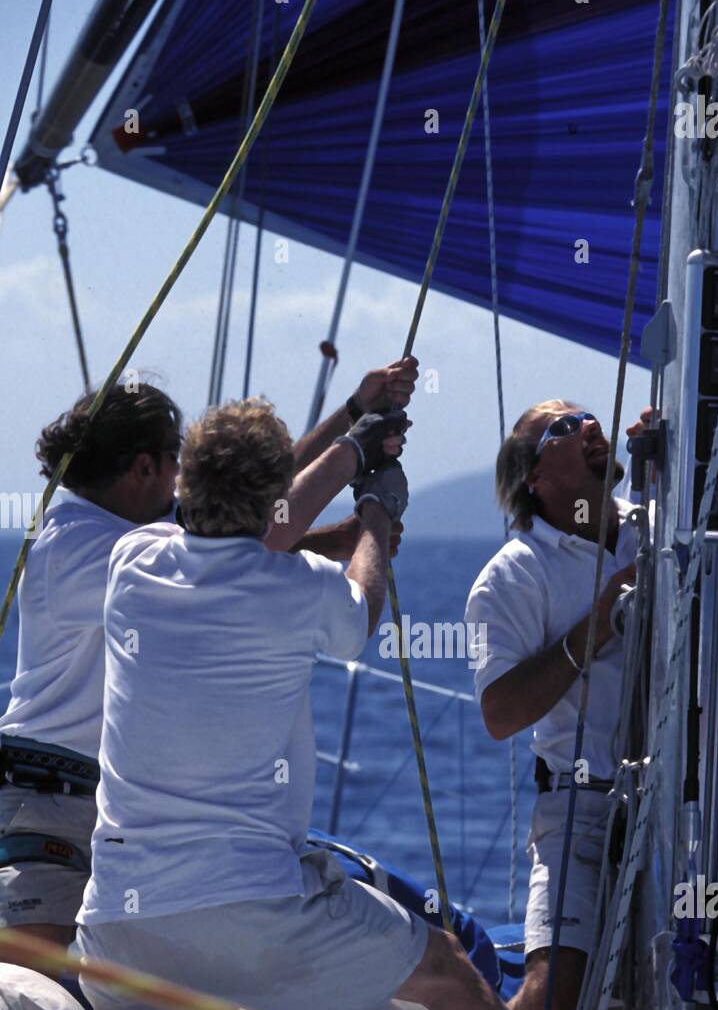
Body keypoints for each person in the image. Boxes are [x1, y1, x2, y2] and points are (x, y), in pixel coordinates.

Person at [74, 395, 570, 1010]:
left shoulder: (134, 561)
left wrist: (348, 450)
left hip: (124, 922)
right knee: (449, 975)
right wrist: (378, 510)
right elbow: (359, 608)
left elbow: (247, 530)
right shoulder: (299, 588)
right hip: (248, 906)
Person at [465, 399, 718, 1010]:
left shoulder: (660, 525)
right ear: (533, 476)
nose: (590, 428)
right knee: (555, 996)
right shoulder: (512, 577)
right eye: (565, 428)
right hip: (583, 814)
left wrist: (674, 450)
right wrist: (594, 627)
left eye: (590, 417)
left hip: (691, 810)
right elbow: (501, 713)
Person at [0, 361, 415, 964]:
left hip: (115, 817)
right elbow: (244, 539)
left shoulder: (133, 530)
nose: (185, 481)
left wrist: (353, 411)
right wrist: (355, 486)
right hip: (51, 808)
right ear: (145, 466)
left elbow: (246, 503)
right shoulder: (80, 544)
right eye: (177, 463)